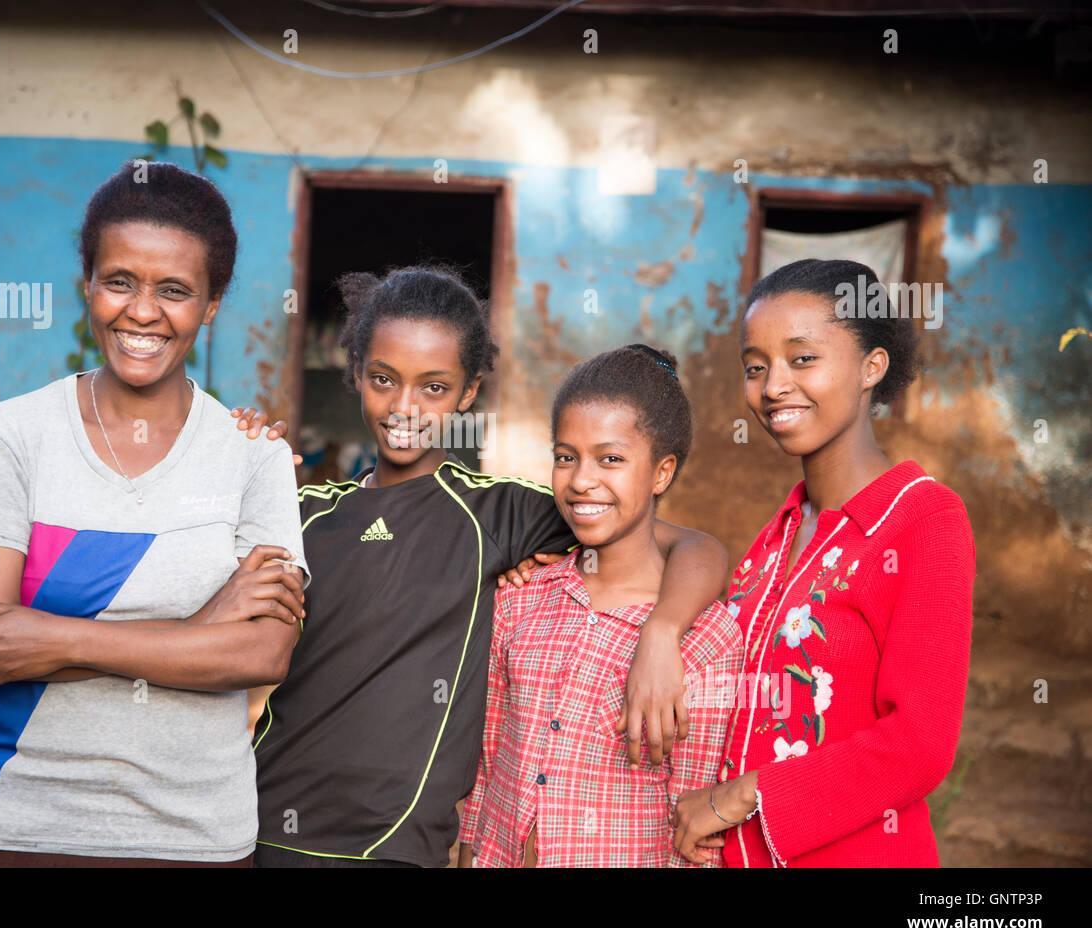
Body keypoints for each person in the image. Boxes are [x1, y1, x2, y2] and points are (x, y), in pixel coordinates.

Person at [249, 266, 729, 868]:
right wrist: (238, 469)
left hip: (396, 845)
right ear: (355, 374)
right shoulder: (305, 514)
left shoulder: (498, 513)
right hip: (262, 825)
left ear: (469, 392)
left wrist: (663, 630)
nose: (405, 407)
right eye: (383, 379)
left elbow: (693, 546)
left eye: (434, 387)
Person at [0, 160, 309, 866]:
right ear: (88, 285)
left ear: (213, 304)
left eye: (174, 290)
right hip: (18, 827)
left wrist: (57, 640)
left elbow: (263, 652)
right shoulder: (10, 436)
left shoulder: (253, 458)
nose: (142, 311)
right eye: (119, 282)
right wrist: (203, 628)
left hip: (199, 837)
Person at [671, 258, 976, 867]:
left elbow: (920, 743)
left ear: (872, 366)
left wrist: (741, 795)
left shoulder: (925, 520)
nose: (774, 386)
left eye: (802, 358)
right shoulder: (777, 537)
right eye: (756, 368)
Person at [458, 345, 743, 867]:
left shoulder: (706, 636)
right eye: (566, 456)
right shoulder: (519, 600)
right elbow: (487, 766)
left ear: (661, 473)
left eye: (611, 458)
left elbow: (695, 822)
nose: (582, 479)